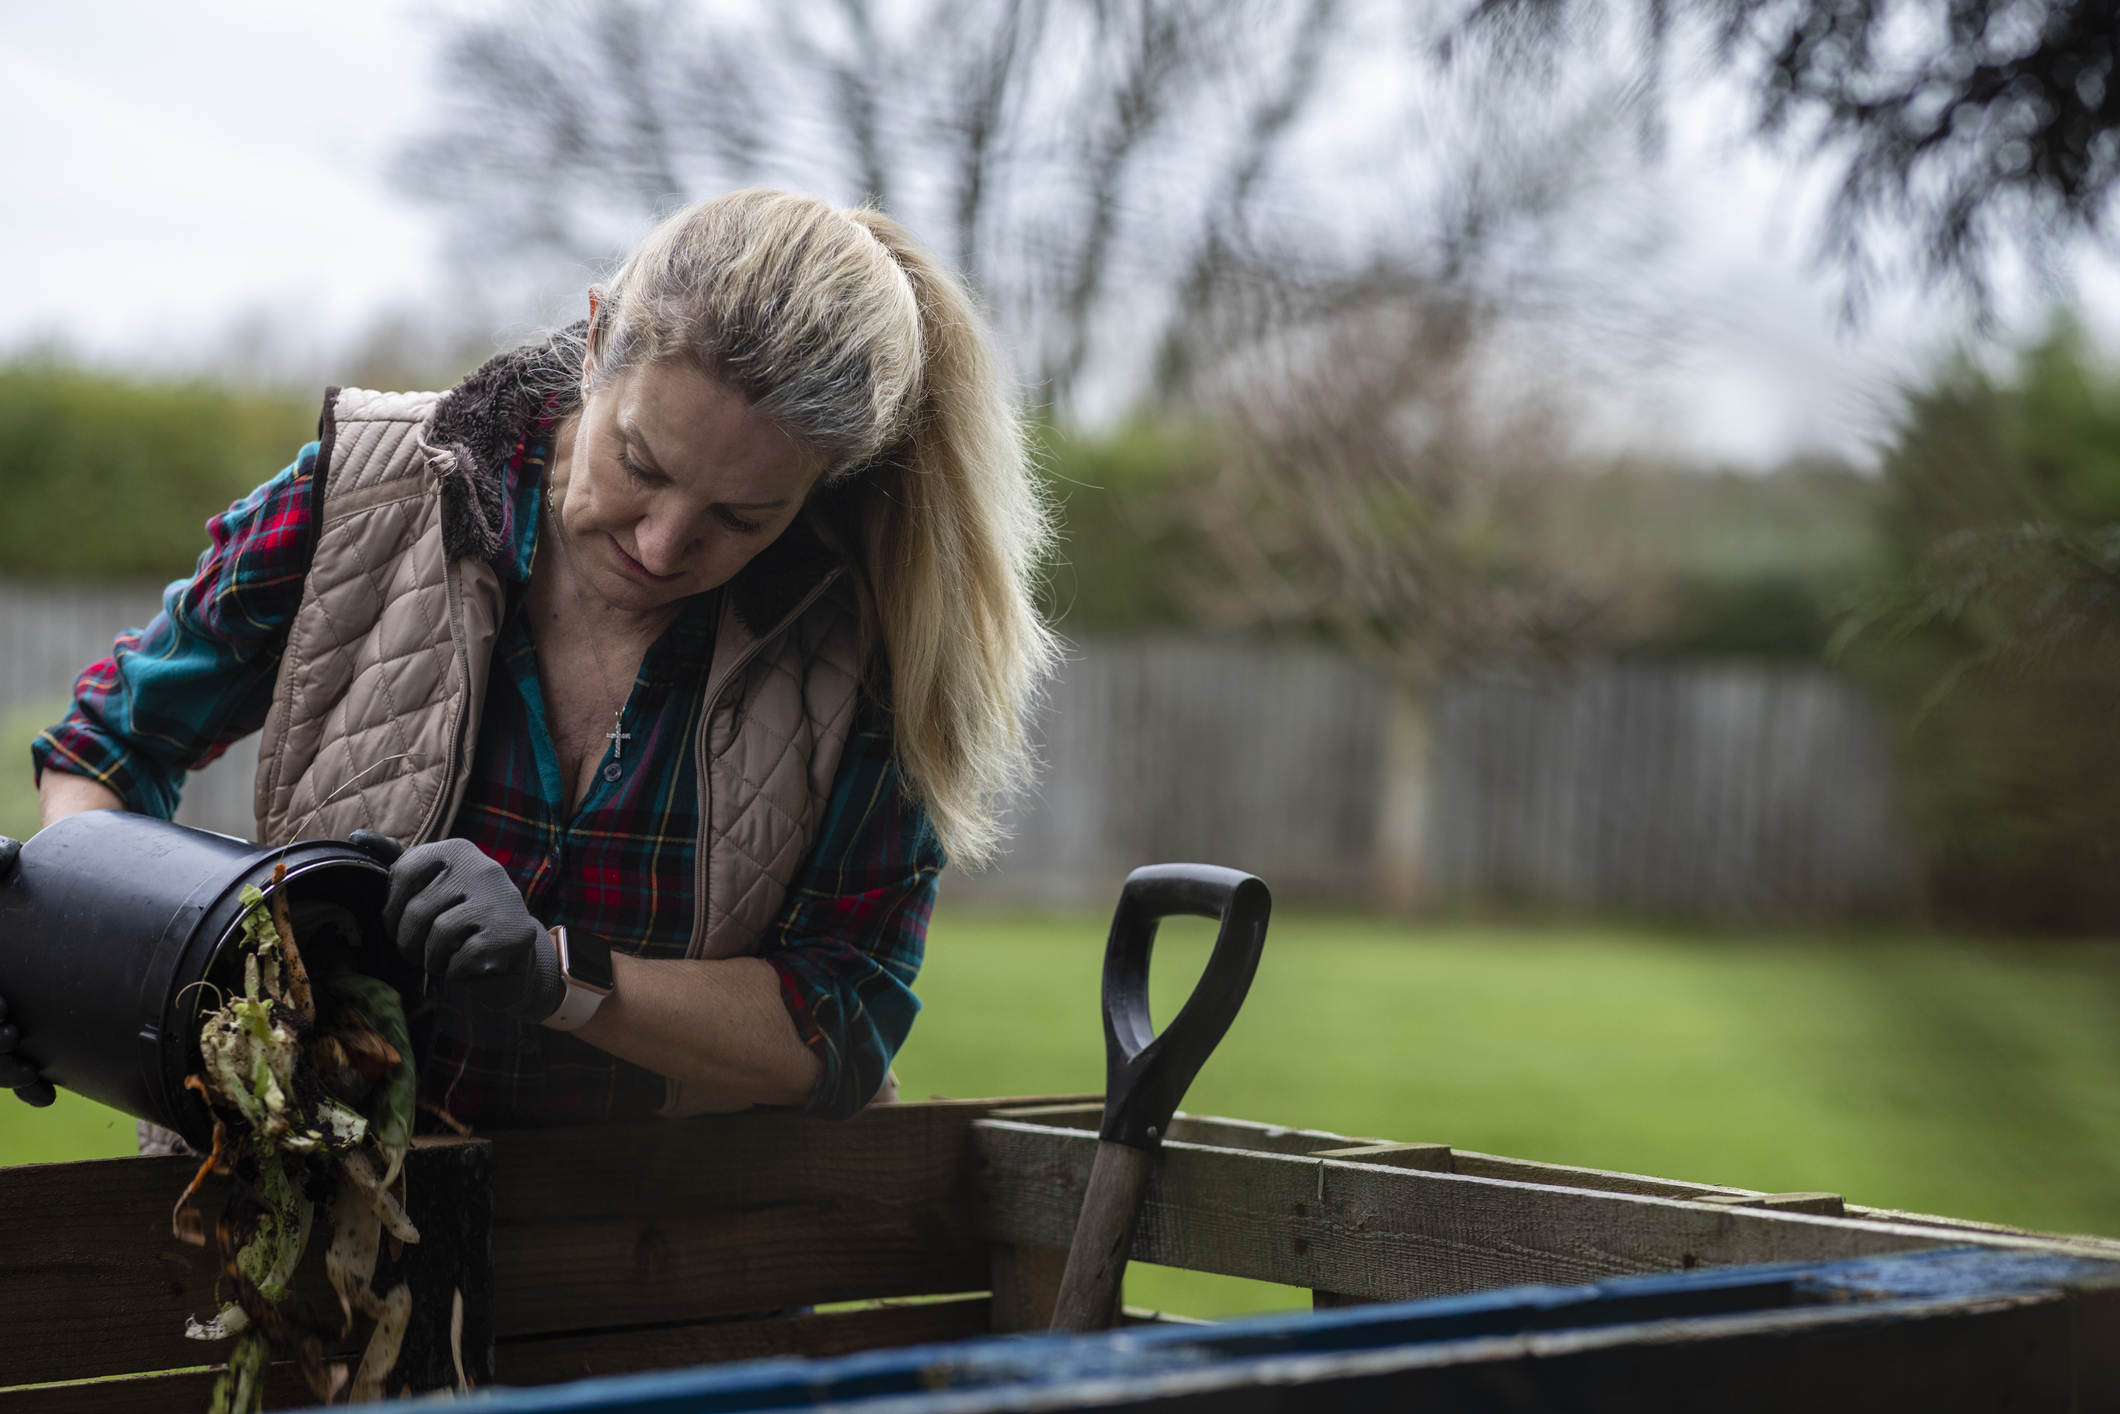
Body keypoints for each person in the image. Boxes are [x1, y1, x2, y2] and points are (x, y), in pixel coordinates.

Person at [2, 189, 1055, 1132]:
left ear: (824, 482)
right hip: (296, 1228)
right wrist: (66, 960)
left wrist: (559, 976)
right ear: (595, 342)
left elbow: (842, 1022)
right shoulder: (367, 492)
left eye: (741, 517)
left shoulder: (865, 649)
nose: (662, 546)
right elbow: (113, 743)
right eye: (639, 464)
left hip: (664, 1254)